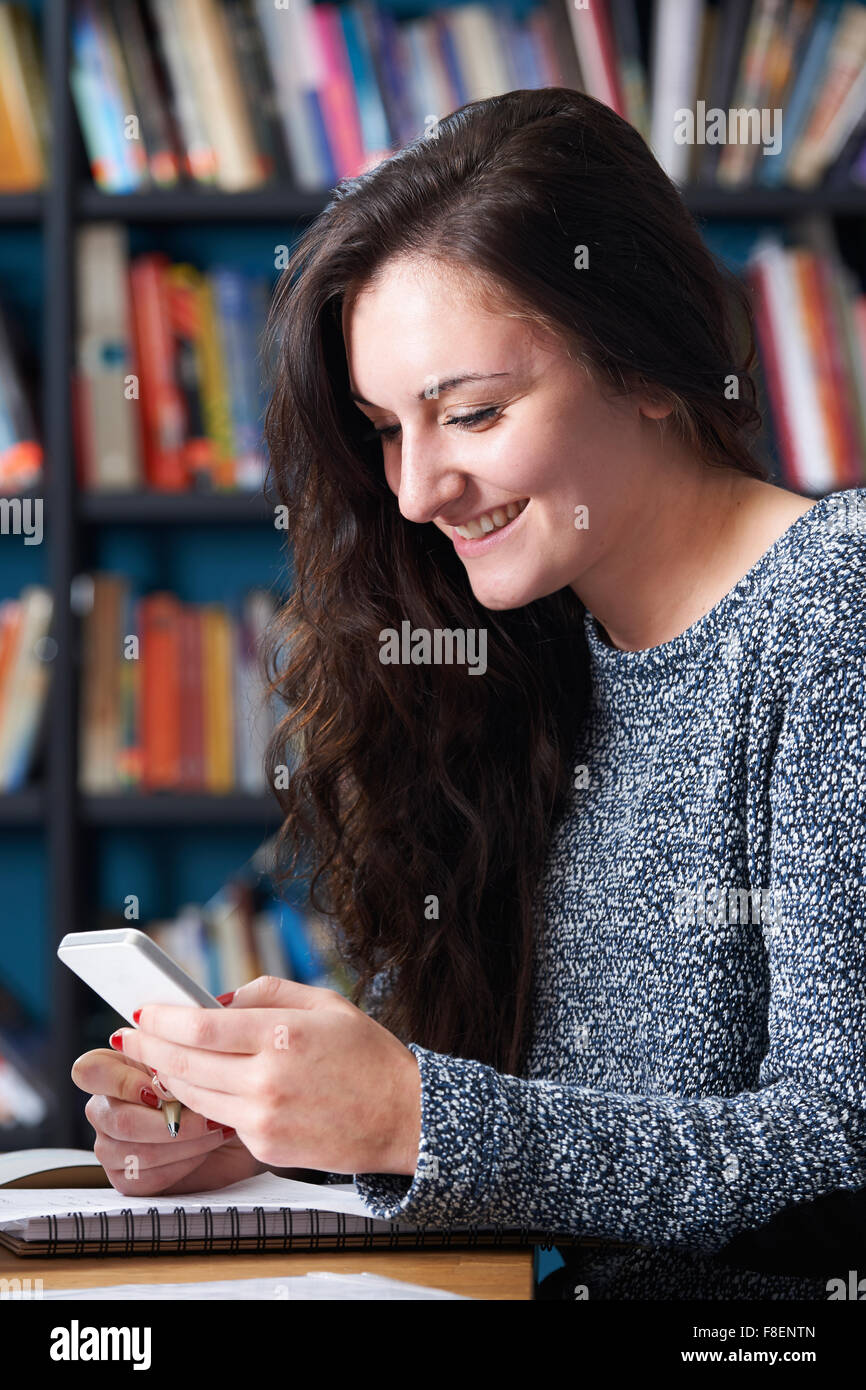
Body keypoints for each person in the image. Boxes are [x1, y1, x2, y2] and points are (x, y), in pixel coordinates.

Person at [72, 87, 866, 1299]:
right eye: (386, 428)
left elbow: (838, 1149)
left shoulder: (833, 608)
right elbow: (528, 1125)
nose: (414, 490)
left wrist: (409, 1117)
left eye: (474, 413)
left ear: (647, 364)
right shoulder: (526, 651)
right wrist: (283, 1130)